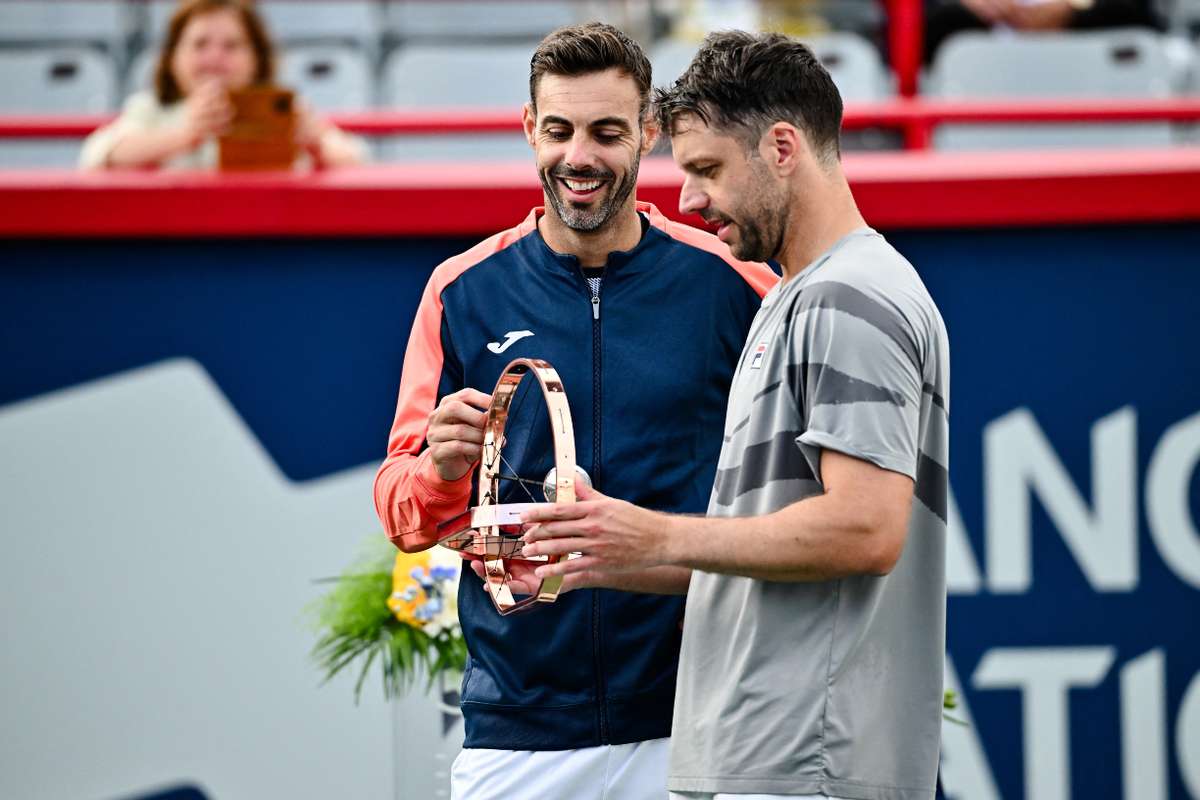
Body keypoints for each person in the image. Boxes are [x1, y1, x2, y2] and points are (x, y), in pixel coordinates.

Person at [521, 31, 951, 800]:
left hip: (808, 758)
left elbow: (865, 530)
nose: (686, 199)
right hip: (773, 753)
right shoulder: (794, 294)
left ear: (782, 147)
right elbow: (758, 547)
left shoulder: (847, 296)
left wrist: (656, 531)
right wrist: (606, 551)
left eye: (708, 170)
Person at [373, 22, 777, 800]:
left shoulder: (734, 285)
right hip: (519, 733)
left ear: (650, 133)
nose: (579, 157)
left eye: (607, 132)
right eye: (558, 130)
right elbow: (403, 515)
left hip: (697, 721)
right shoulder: (461, 291)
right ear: (529, 129)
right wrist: (441, 469)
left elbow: (789, 490)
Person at [79, 0, 364, 170]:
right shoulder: (151, 109)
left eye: (232, 46)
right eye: (200, 44)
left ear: (256, 58)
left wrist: (316, 146)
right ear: (173, 56)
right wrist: (185, 135)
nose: (214, 58)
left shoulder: (286, 110)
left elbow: (355, 158)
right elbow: (98, 155)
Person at [925, 0, 1162, 62]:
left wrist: (1074, 9)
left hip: (1086, 93)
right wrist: (966, 7)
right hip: (978, 107)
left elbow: (1147, 26)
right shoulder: (952, 16)